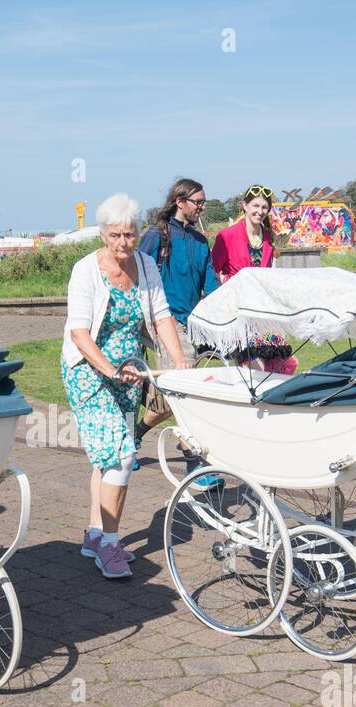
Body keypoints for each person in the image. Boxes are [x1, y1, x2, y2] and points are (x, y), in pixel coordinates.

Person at [63, 193, 191, 579]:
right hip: (90, 370)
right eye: (116, 235)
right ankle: (111, 545)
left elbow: (163, 316)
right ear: (103, 234)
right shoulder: (85, 271)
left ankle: (95, 534)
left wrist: (179, 360)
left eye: (130, 235)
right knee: (120, 456)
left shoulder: (147, 266)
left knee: (110, 454)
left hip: (131, 371)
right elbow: (80, 333)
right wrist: (110, 370)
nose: (124, 243)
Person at [136, 177, 223, 489]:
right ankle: (193, 466)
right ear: (179, 201)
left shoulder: (200, 242)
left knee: (167, 397)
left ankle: (134, 436)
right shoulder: (156, 236)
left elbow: (210, 286)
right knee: (186, 392)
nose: (201, 207)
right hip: (163, 321)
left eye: (203, 202)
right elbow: (136, 273)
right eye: (197, 201)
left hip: (191, 324)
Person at [210, 184, 295, 375]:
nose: (260, 211)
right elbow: (213, 270)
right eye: (255, 206)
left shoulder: (267, 238)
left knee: (280, 364)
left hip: (263, 310)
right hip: (239, 311)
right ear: (245, 206)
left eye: (264, 207)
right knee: (254, 367)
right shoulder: (227, 236)